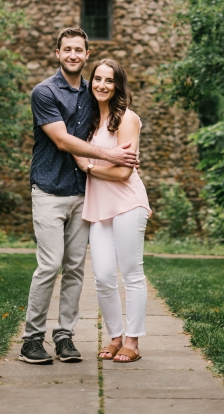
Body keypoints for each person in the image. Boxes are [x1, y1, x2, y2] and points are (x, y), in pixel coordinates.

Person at [19, 28, 139, 365]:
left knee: (74, 269)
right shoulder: (44, 92)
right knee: (49, 265)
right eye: (67, 49)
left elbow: (116, 122)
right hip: (49, 189)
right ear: (57, 53)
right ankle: (31, 340)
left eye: (79, 50)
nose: (73, 55)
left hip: (84, 193)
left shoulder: (93, 92)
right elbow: (62, 140)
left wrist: (128, 151)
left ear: (87, 55)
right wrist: (111, 156)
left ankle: (64, 336)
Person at [77, 58, 152, 363]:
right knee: (104, 276)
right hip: (99, 207)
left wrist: (88, 166)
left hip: (126, 203)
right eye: (97, 79)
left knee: (132, 273)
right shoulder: (89, 121)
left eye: (109, 80)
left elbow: (123, 173)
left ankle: (133, 341)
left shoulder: (127, 119)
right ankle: (115, 336)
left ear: (118, 85)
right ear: (90, 82)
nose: (102, 85)